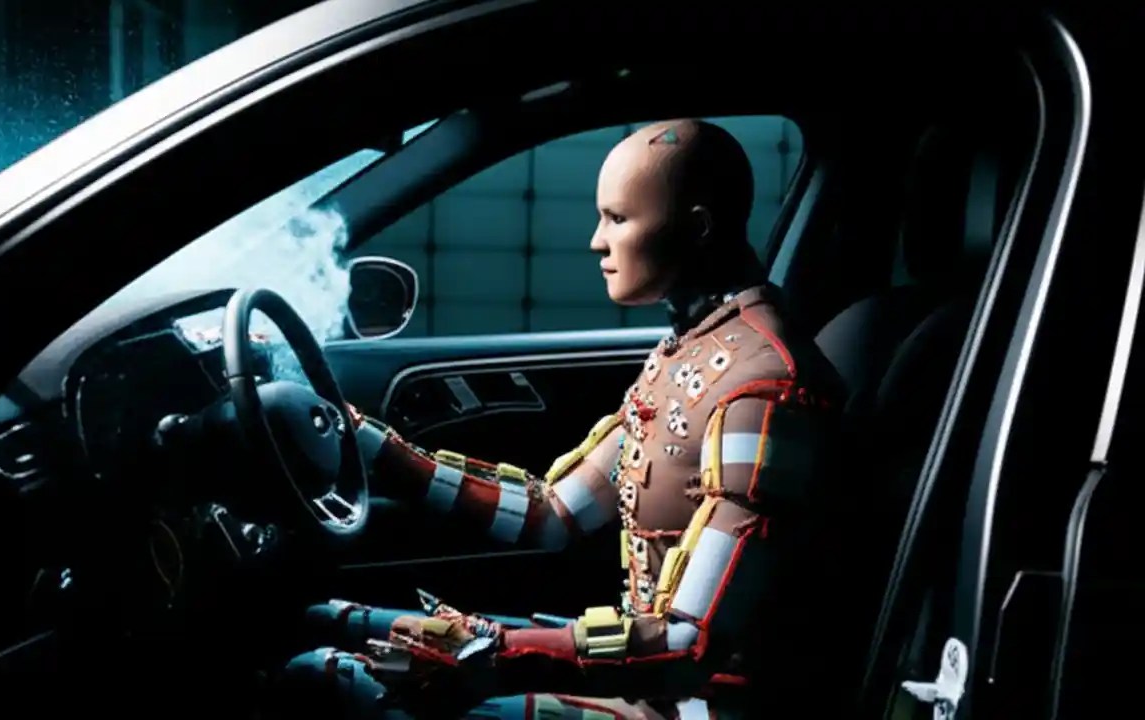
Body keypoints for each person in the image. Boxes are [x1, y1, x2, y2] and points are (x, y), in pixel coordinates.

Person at [282, 119, 844, 719]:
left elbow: (690, 645)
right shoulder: (698, 347)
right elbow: (553, 513)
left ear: (697, 227)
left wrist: (490, 655)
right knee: (325, 619)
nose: (597, 242)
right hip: (656, 684)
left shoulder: (764, 388)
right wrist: (370, 444)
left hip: (697, 707)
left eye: (618, 219)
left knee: (325, 679)